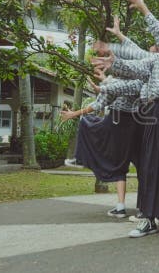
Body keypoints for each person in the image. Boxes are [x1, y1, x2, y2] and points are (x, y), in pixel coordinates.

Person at [93, 0, 159, 238]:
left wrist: (143, 8)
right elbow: (133, 68)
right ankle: (148, 217)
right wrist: (113, 63)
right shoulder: (154, 59)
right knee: (150, 165)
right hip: (154, 113)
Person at [60, 70, 144, 219]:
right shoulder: (137, 80)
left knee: (87, 123)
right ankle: (140, 207)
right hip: (135, 125)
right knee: (135, 164)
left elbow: (98, 104)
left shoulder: (115, 85)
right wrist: (106, 80)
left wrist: (73, 114)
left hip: (117, 124)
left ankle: (81, 157)